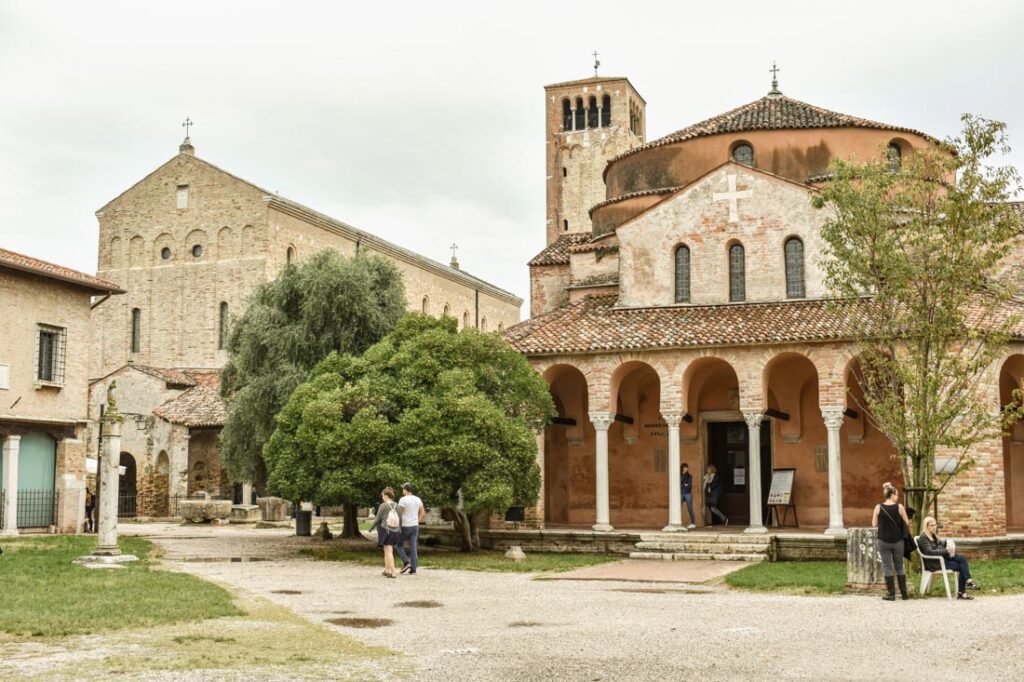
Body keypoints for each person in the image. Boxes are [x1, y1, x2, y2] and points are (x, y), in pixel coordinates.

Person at [918, 516, 979, 600]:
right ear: (926, 526)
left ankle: (968, 582)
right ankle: (962, 591)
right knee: (961, 566)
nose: (934, 527)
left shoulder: (933, 536)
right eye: (931, 525)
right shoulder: (923, 538)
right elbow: (929, 552)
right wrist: (946, 551)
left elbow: (940, 545)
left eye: (935, 525)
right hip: (934, 563)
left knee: (962, 559)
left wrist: (948, 543)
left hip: (943, 559)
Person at [872, 482, 912, 601]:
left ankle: (891, 594)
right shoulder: (899, 507)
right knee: (899, 566)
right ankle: (904, 594)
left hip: (883, 541)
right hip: (898, 541)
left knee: (887, 566)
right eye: (897, 494)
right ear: (892, 494)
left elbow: (874, 524)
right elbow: (907, 522)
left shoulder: (878, 507)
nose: (898, 496)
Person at [395, 482, 425, 575]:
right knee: (413, 547)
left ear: (405, 489)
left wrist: (397, 524)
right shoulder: (418, 499)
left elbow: (400, 513)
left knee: (398, 544)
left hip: (405, 525)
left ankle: (406, 562)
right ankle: (414, 569)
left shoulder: (403, 499)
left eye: (402, 489)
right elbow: (422, 513)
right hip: (415, 526)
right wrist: (417, 521)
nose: (402, 491)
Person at [372, 487, 402, 578]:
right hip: (395, 530)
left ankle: (393, 572)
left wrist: (371, 527)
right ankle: (387, 569)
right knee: (387, 550)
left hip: (386, 529)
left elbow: (377, 519)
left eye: (382, 495)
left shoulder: (383, 505)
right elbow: (400, 518)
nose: (382, 497)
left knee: (388, 551)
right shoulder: (397, 505)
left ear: (386, 496)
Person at [680, 463, 696, 529]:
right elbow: (677, 484)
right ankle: (677, 522)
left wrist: (682, 485)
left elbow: (689, 486)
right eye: (685, 467)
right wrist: (684, 484)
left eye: (687, 467)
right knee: (677, 508)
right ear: (682, 468)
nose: (686, 469)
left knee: (690, 508)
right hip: (680, 493)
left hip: (688, 494)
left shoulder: (689, 476)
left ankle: (693, 523)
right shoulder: (678, 475)